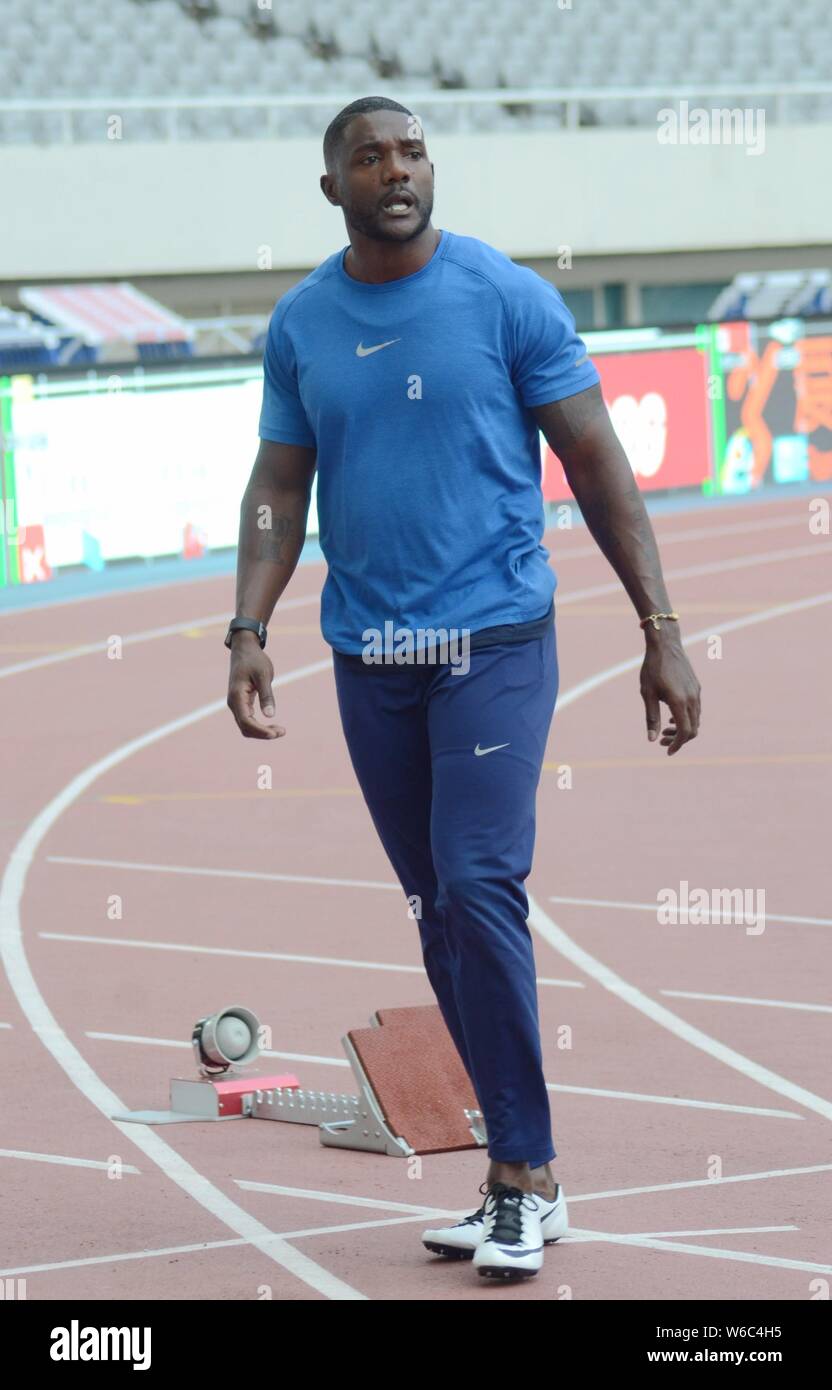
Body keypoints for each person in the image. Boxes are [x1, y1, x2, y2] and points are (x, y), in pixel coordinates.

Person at [226, 95, 701, 1282]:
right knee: (436, 906)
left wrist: (660, 628)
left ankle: (528, 1174)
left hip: (492, 642)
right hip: (370, 659)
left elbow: (596, 460)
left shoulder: (504, 296)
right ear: (329, 188)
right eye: (368, 156)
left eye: (411, 149)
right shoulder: (303, 325)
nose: (396, 168)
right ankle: (508, 1175)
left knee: (482, 884)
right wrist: (247, 626)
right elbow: (279, 486)